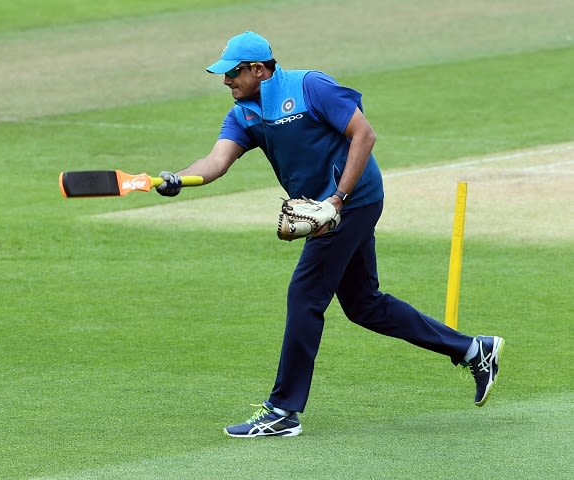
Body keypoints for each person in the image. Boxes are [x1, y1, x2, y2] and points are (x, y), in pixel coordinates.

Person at [155, 31, 504, 437]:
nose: (226, 81)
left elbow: (365, 135)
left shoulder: (309, 86)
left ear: (258, 69)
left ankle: (283, 411)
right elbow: (217, 161)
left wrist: (336, 200)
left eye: (233, 73)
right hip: (328, 209)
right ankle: (473, 350)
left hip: (352, 202)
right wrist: (181, 179)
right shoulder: (244, 113)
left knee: (305, 295)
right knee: (364, 305)